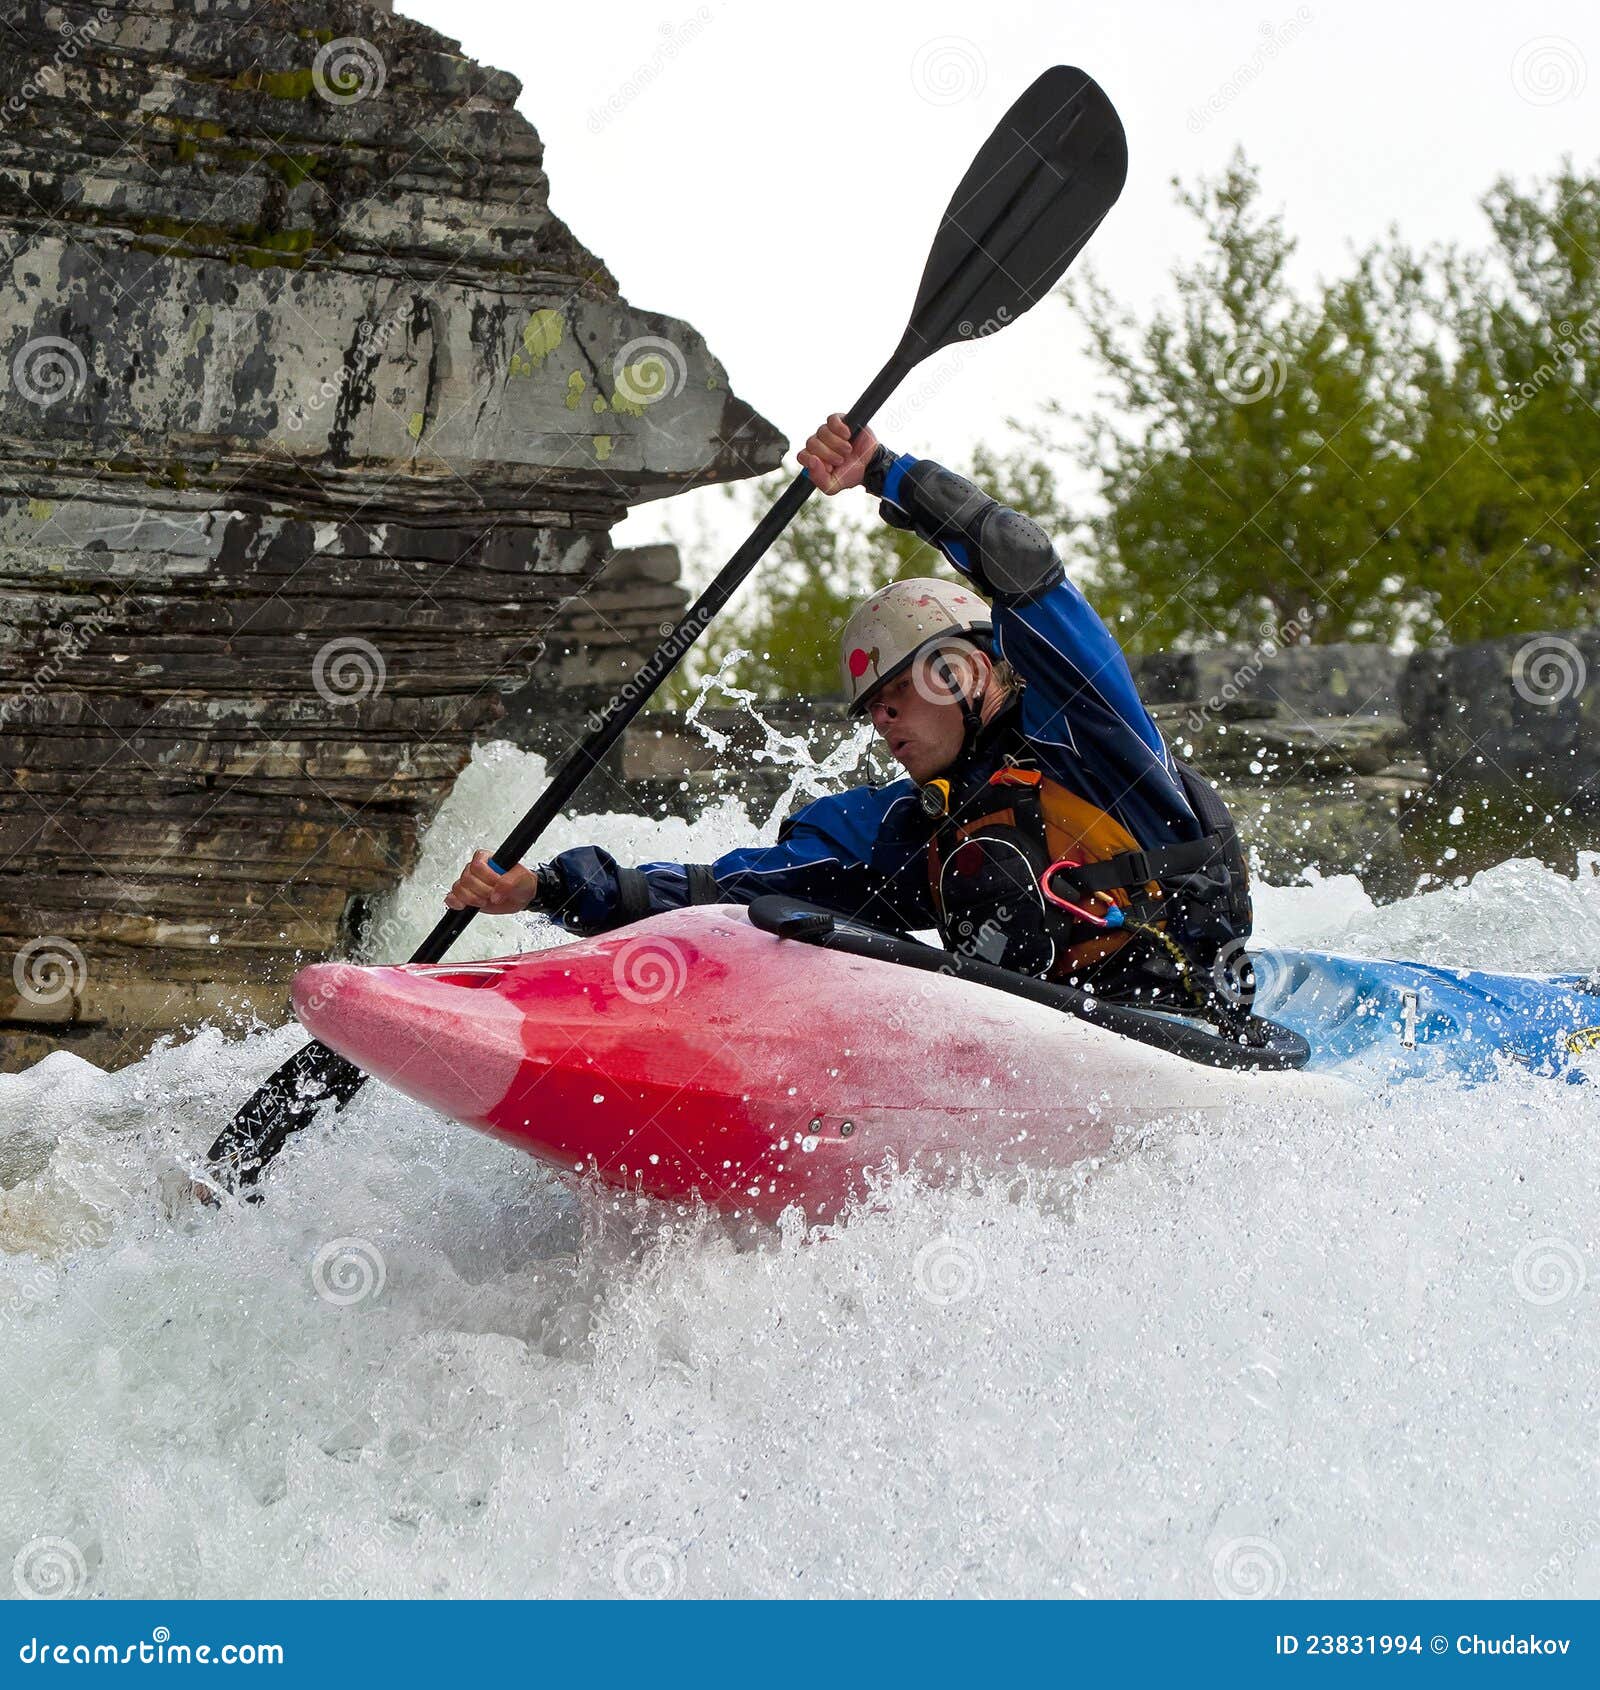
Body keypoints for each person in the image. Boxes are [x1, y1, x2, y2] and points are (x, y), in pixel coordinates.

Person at [445, 414, 1255, 1020]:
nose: (883, 725)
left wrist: (888, 473)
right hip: (1059, 1052)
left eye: (897, 699)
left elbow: (1020, 560)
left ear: (962, 671)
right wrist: (553, 888)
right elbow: (731, 890)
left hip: (1194, 1026)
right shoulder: (916, 828)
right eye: (873, 711)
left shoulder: (1088, 729)